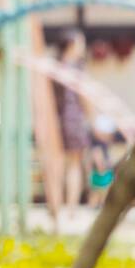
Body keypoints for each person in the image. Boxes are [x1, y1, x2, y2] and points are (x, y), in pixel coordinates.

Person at [52, 31, 92, 215]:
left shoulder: (55, 67)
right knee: (74, 164)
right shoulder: (76, 69)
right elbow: (84, 97)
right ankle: (71, 207)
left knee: (59, 162)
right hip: (74, 118)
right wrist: (92, 119)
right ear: (72, 46)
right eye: (80, 44)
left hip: (57, 119)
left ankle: (57, 204)